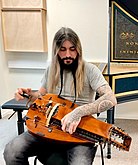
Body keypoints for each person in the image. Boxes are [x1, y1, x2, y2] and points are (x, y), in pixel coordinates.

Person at [3, 27, 117, 165]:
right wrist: (29, 94)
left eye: (72, 49)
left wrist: (78, 112)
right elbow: (41, 95)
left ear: (78, 49)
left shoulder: (90, 70)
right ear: (56, 50)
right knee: (11, 152)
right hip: (48, 127)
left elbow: (111, 98)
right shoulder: (51, 69)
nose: (68, 54)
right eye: (63, 49)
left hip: (79, 130)